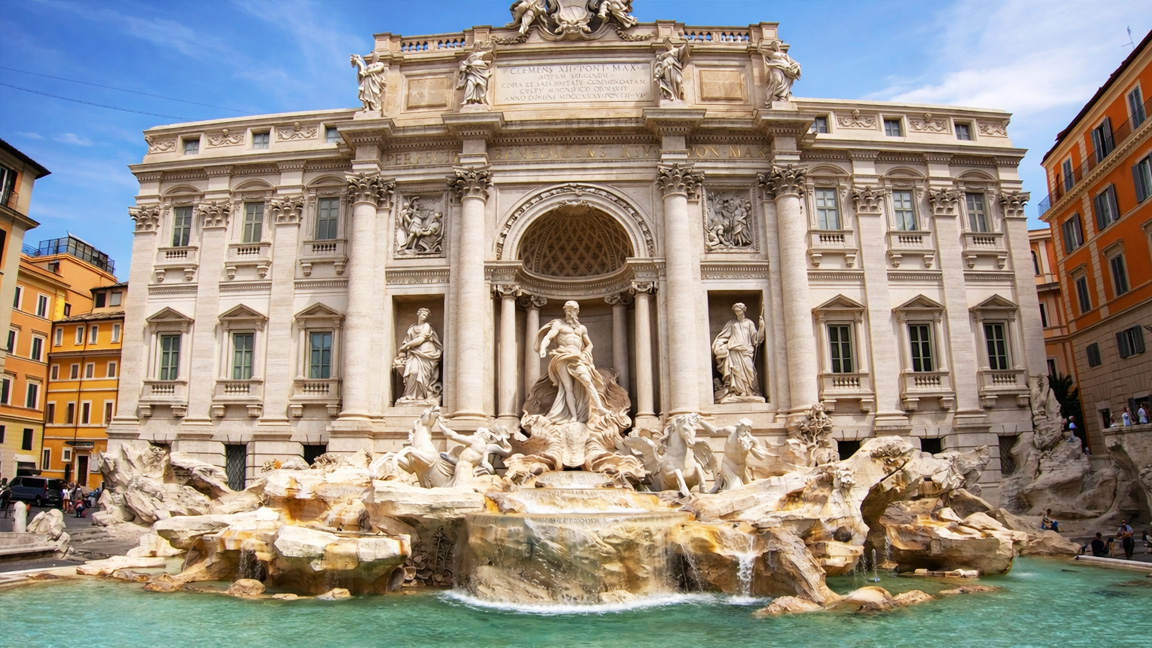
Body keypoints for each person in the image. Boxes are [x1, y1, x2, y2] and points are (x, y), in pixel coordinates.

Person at [536, 300, 609, 424]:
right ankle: (573, 416)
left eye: (574, 309)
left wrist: (586, 353)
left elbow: (589, 344)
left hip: (577, 357)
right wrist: (543, 348)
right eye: (568, 309)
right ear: (565, 311)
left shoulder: (582, 328)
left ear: (578, 311)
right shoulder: (559, 324)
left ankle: (599, 407)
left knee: (587, 381)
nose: (571, 312)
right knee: (567, 387)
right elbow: (548, 337)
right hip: (562, 356)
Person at [712, 302, 766, 402]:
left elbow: (756, 339)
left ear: (743, 310)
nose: (737, 312)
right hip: (734, 350)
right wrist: (719, 346)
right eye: (735, 310)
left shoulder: (749, 323)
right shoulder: (731, 323)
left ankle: (750, 391)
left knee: (750, 372)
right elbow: (723, 336)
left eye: (739, 310)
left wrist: (762, 327)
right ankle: (738, 392)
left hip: (746, 350)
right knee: (736, 372)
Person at [394, 308, 443, 403]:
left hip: (426, 352)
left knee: (422, 375)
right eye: (423, 314)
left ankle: (421, 396)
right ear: (418, 314)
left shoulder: (426, 326)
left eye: (426, 316)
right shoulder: (412, 328)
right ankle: (409, 395)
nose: (425, 317)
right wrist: (404, 350)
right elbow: (407, 340)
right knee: (413, 372)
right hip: (414, 353)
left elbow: (421, 339)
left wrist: (406, 346)